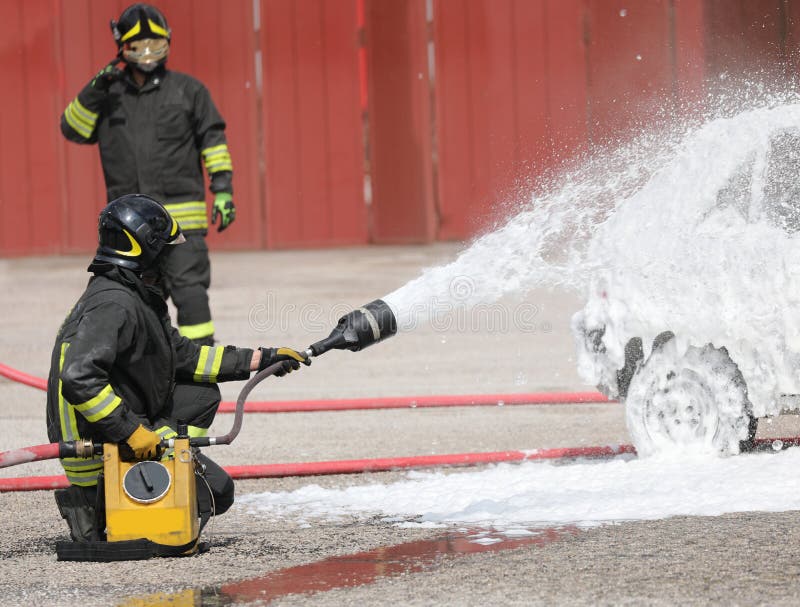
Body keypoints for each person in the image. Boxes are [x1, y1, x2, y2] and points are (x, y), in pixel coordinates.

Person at [46, 194, 308, 545]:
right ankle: (95, 504)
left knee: (201, 395)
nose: (169, 258)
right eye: (164, 250)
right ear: (144, 250)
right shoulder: (114, 303)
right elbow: (79, 379)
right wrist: (132, 433)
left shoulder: (132, 294)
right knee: (216, 492)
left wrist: (260, 359)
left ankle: (159, 459)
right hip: (95, 446)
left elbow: (182, 355)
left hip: (114, 426)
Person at [60, 3, 234, 346]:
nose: (149, 53)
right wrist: (95, 88)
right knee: (130, 306)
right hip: (128, 228)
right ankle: (147, 382)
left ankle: (202, 380)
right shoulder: (107, 96)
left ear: (168, 43)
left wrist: (224, 189)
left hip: (182, 225)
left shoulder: (189, 91)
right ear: (122, 48)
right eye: (138, 46)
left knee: (192, 298)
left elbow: (213, 141)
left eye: (157, 44)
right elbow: (72, 129)